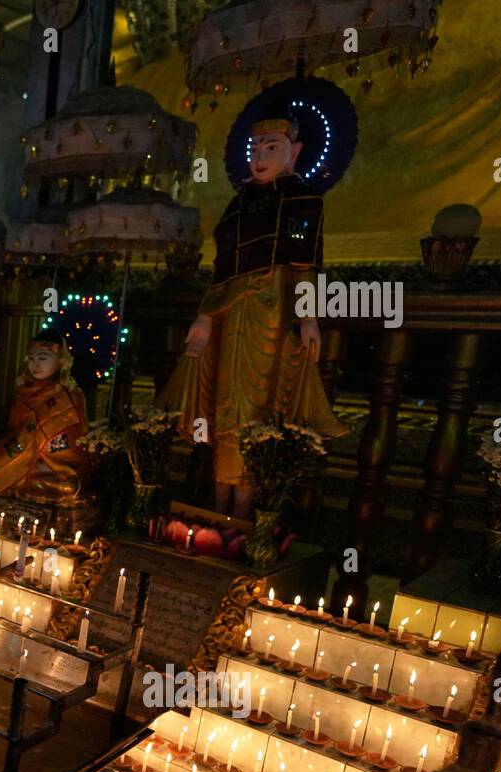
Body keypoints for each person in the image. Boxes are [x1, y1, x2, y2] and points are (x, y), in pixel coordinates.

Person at [155, 88, 350, 519]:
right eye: (256, 147)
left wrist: (309, 317)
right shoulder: (239, 203)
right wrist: (204, 318)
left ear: (295, 152)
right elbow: (222, 267)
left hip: (272, 313)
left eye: (272, 147)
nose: (260, 155)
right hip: (231, 316)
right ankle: (218, 505)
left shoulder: (303, 200)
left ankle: (246, 512)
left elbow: (303, 265)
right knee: (225, 406)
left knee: (257, 412)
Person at [0, 328, 92, 504]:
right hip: (23, 456)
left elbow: (78, 437)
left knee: (69, 488)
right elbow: (14, 430)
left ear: (61, 361)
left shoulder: (70, 394)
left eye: (43, 358)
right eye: (32, 358)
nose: (36, 364)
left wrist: (42, 455)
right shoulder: (23, 392)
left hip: (54, 463)